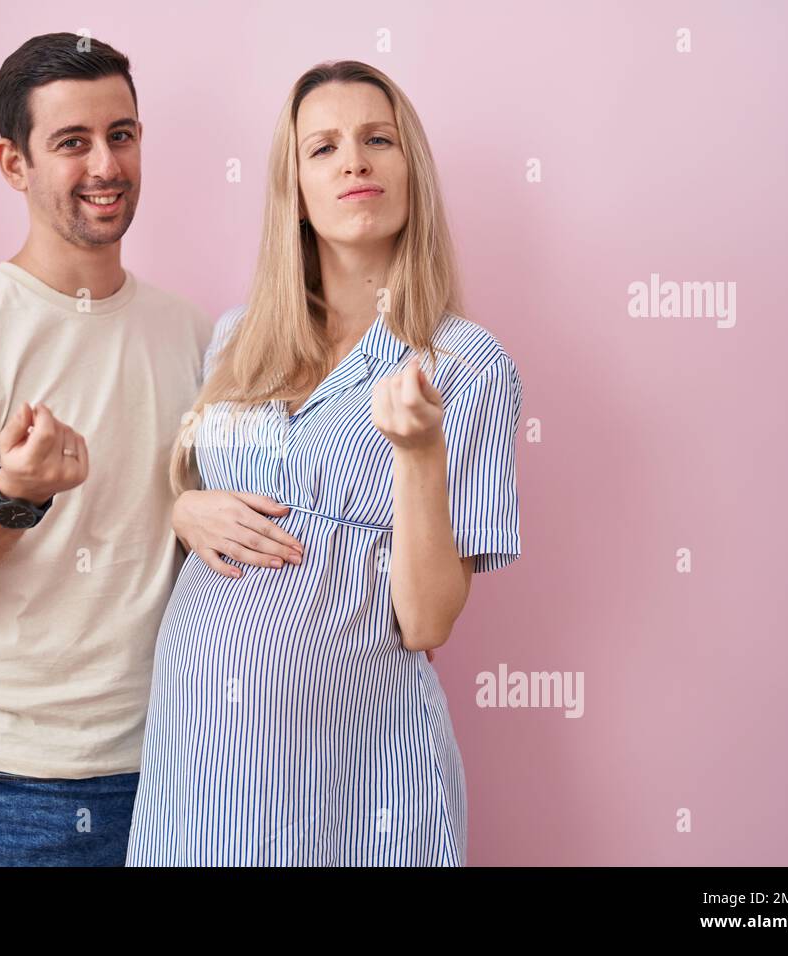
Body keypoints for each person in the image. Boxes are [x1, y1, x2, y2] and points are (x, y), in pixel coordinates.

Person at [126, 60, 524, 866]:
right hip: (196, 768)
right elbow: (203, 497)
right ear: (294, 186)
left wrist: (416, 453)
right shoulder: (239, 337)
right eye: (324, 147)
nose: (354, 161)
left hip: (347, 781)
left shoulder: (465, 364)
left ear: (410, 170)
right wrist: (182, 508)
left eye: (379, 139)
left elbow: (429, 620)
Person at [0, 33, 211, 866]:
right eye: (72, 142)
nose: (106, 164)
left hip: (189, 762)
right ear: (13, 163)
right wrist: (9, 498)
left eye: (122, 134)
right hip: (27, 789)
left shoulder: (195, 334)